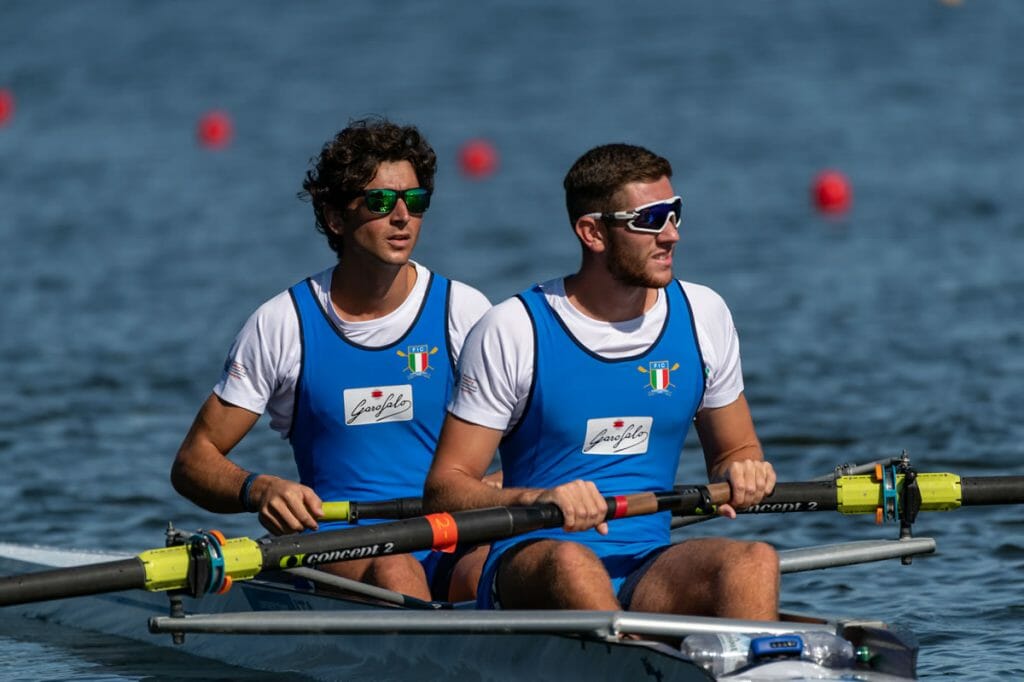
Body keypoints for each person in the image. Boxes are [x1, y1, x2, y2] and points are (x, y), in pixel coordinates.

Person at [423, 143, 779, 619]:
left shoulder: (703, 315)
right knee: (573, 562)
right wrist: (539, 497)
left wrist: (744, 470)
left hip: (645, 563)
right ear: (592, 232)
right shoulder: (514, 329)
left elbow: (736, 451)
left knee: (754, 561)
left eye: (675, 213)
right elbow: (445, 488)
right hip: (535, 561)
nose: (671, 235)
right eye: (649, 220)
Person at [171, 117, 493, 602]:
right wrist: (260, 490)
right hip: (344, 543)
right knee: (396, 568)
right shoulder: (284, 324)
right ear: (336, 217)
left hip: (453, 534)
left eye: (416, 200)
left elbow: (540, 438)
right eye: (382, 202)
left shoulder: (465, 312)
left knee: (513, 569)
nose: (402, 216)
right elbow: (193, 461)